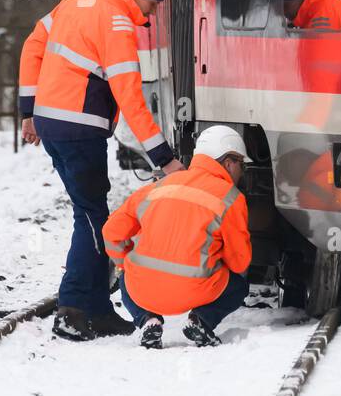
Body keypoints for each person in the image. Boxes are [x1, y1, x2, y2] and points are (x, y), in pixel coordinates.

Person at [18, 0, 185, 342]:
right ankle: (72, 308)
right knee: (92, 216)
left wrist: (29, 111)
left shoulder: (76, 1)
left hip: (52, 122)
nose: (153, 11)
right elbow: (131, 98)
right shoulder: (117, 23)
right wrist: (164, 159)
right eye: (154, 3)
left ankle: (97, 310)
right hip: (78, 127)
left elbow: (32, 46)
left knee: (92, 212)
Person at [102, 125, 252, 349]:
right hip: (196, 291)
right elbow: (239, 262)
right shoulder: (231, 198)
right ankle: (201, 320)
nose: (242, 171)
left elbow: (111, 232)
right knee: (239, 285)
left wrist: (123, 263)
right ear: (228, 163)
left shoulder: (156, 187)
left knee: (127, 274)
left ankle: (148, 321)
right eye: (242, 165)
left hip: (143, 291)